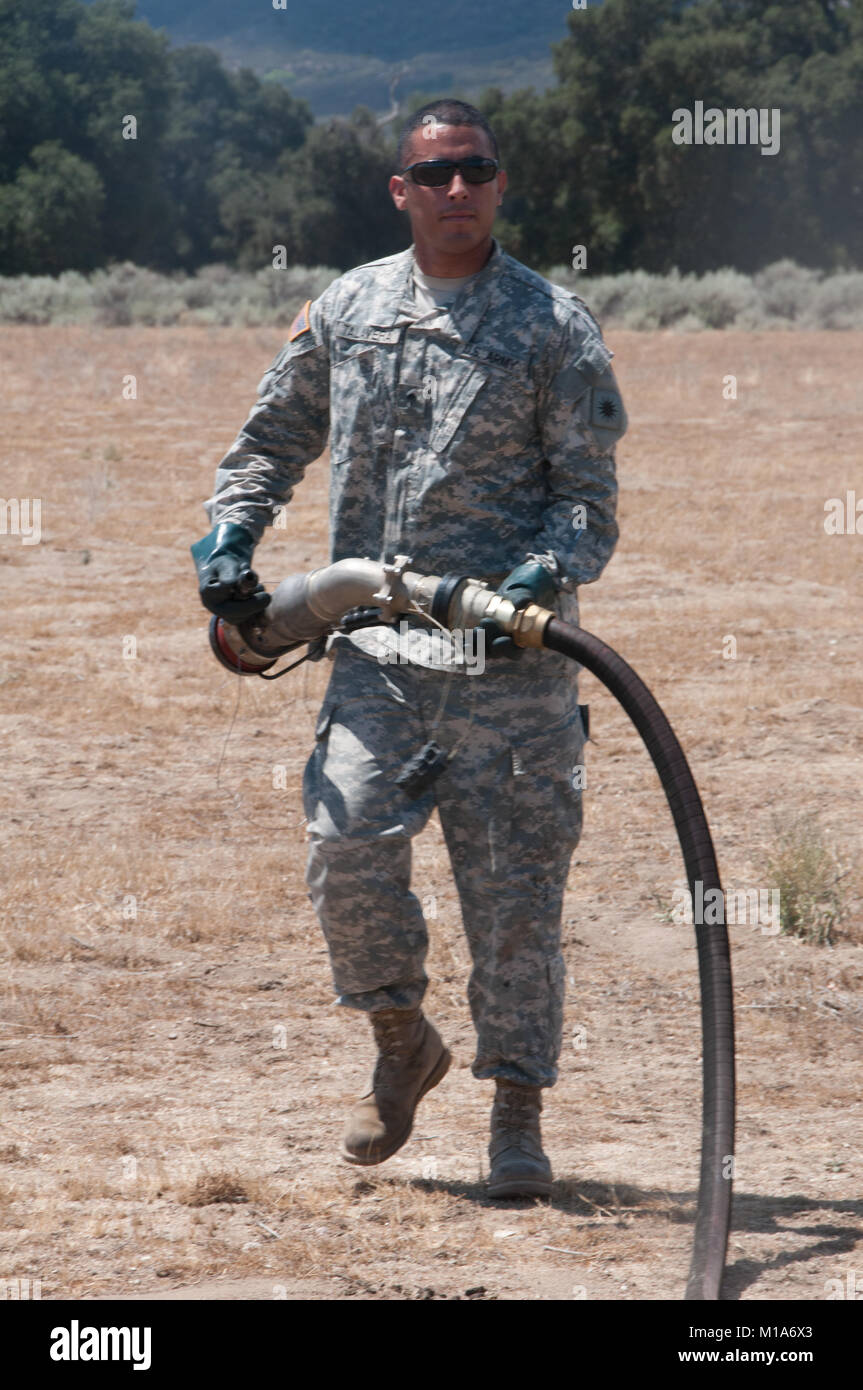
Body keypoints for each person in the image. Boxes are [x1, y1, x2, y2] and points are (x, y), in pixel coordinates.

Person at [192, 99, 627, 1197]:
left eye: (474, 171)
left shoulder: (550, 325)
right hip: (378, 657)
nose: (454, 190)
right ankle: (400, 1042)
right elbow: (269, 440)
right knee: (345, 851)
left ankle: (515, 1118)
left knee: (515, 908)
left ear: (498, 184)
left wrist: (537, 575)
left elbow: (585, 504)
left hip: (512, 673)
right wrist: (230, 536)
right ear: (400, 189)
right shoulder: (348, 308)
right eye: (432, 174)